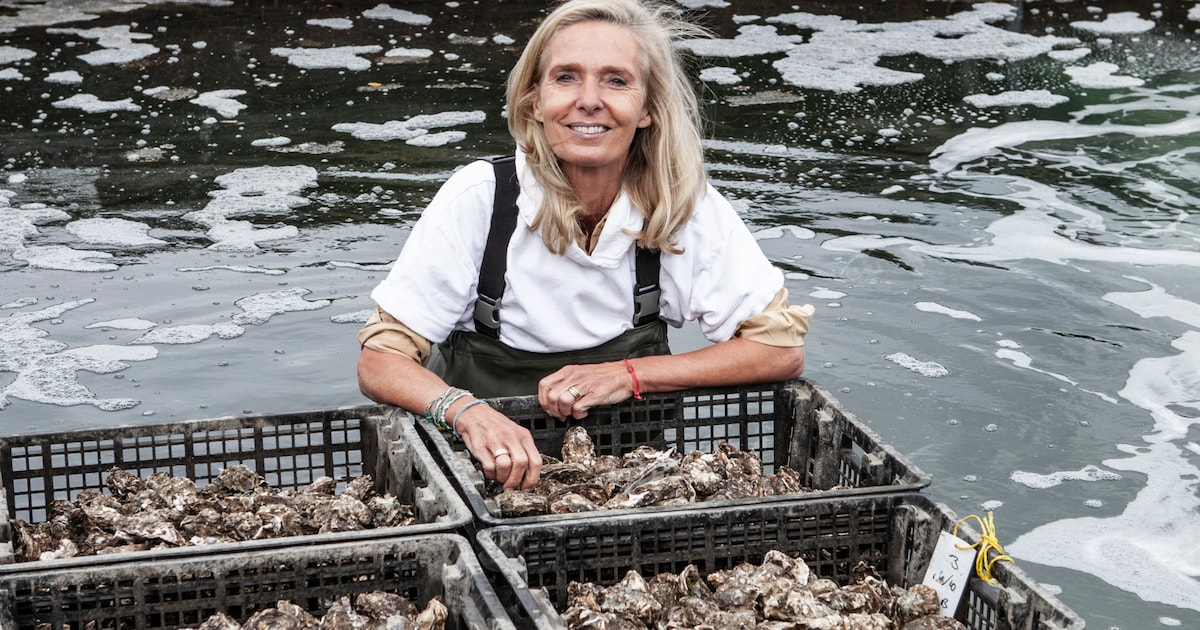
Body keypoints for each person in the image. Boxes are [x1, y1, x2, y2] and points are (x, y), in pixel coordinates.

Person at [357, 0, 814, 492]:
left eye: (616, 81)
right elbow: (380, 360)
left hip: (634, 478)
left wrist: (630, 374)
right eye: (566, 77)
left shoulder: (683, 205)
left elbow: (779, 349)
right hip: (475, 466)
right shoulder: (480, 198)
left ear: (648, 109)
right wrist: (465, 410)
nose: (590, 100)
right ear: (535, 99)